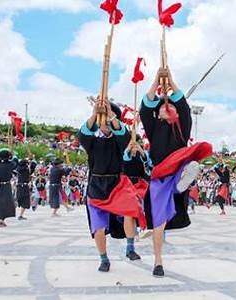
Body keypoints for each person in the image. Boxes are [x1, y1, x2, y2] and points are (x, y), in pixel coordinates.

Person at [140, 67, 212, 277]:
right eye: (163, 106)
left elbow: (183, 106)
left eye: (170, 106)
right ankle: (158, 261)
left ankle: (184, 180)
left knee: (191, 157)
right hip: (160, 177)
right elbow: (146, 108)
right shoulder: (154, 127)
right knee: (159, 221)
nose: (166, 107)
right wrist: (156, 80)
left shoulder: (183, 127)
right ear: (158, 113)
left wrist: (170, 81)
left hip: (178, 167)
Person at [79, 101, 145, 272]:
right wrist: (95, 113)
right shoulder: (91, 141)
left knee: (130, 211)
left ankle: (130, 248)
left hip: (117, 184)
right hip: (96, 186)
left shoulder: (119, 140)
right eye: (103, 119)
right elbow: (83, 134)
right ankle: (103, 259)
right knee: (98, 227)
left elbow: (124, 136)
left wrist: (112, 116)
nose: (105, 123)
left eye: (108, 119)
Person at [0, 149, 17, 227]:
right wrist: (13, 156)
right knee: (8, 203)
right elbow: (15, 163)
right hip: (6, 185)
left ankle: (1, 219)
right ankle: (2, 220)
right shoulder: (10, 164)